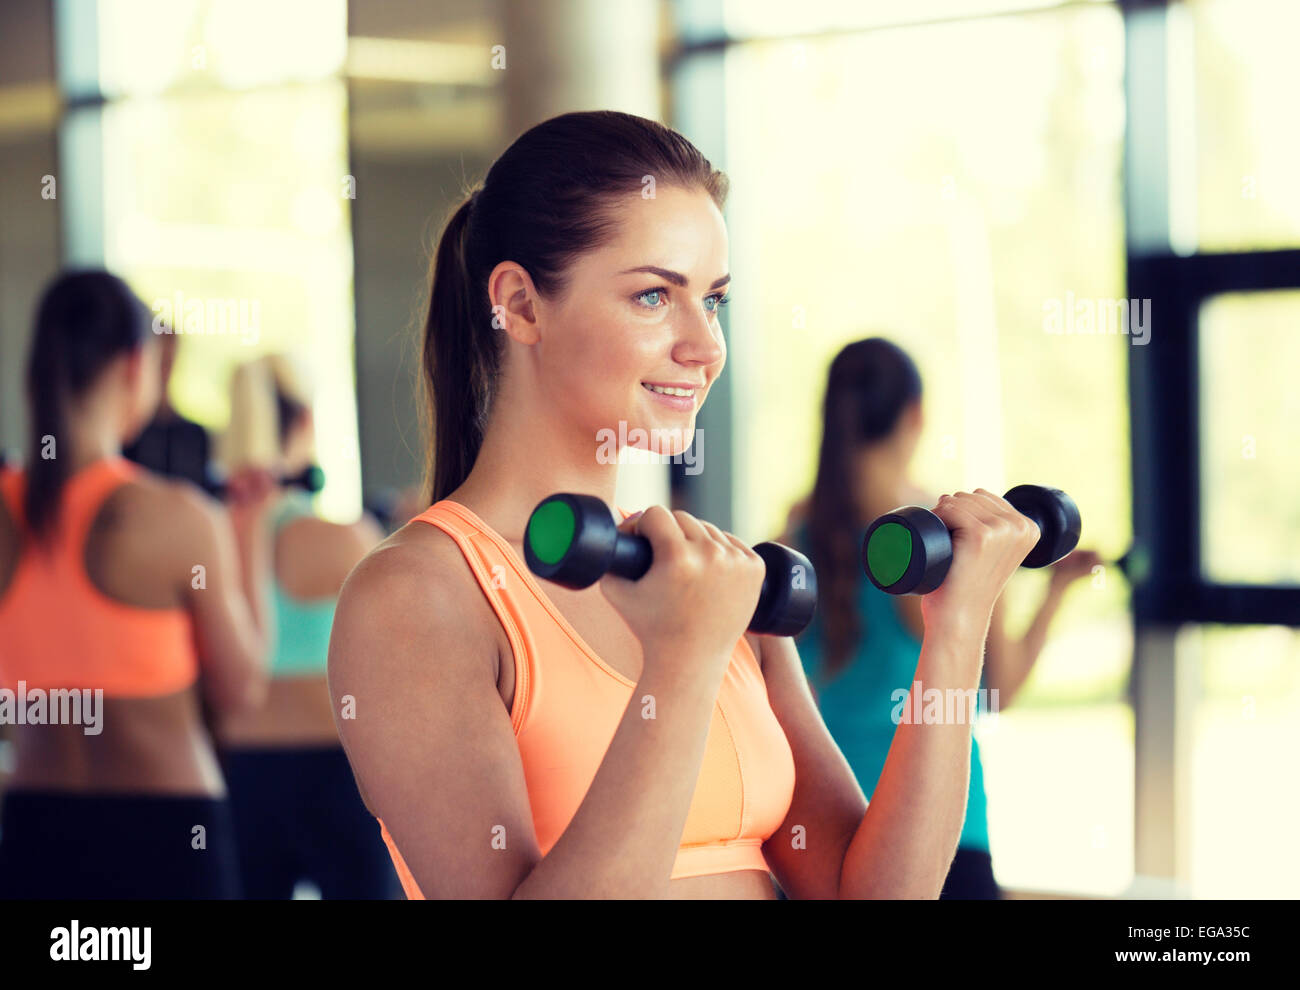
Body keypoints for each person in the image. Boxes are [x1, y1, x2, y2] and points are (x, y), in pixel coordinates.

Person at [328, 110, 1040, 899]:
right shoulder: (418, 597)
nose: (705, 345)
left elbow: (867, 894)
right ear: (521, 307)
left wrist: (955, 632)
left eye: (715, 300)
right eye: (652, 297)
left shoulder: (708, 576)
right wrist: (682, 661)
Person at [782, 337, 1101, 899]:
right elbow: (998, 690)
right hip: (938, 831)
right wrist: (1054, 593)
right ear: (915, 415)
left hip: (827, 831)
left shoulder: (797, 537)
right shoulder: (958, 540)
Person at [0, 269, 272, 898]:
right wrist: (247, 531)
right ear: (132, 366)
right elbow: (241, 688)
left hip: (36, 833)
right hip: (166, 836)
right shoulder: (175, 517)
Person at [214, 355, 396, 898]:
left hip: (240, 771)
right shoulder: (346, 539)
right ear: (303, 424)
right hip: (337, 772)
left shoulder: (206, 535)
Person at [122, 329, 212, 490]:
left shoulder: (195, 435)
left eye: (168, 362)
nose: (164, 371)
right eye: (160, 362)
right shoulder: (127, 433)